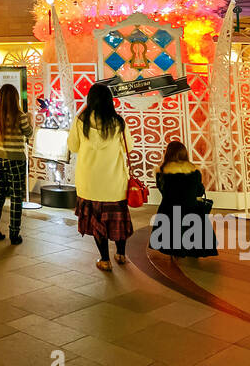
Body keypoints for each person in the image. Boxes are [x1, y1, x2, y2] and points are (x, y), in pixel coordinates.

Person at [69, 82, 135, 272]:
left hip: (89, 183)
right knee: (118, 220)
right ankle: (121, 254)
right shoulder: (118, 122)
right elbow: (128, 147)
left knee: (98, 223)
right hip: (115, 183)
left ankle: (104, 259)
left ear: (90, 100)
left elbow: (73, 146)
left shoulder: (81, 121)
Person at [0, 82, 33, 245]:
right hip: (16, 160)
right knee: (16, 197)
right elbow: (29, 133)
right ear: (15, 98)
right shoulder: (20, 116)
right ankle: (14, 233)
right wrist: (30, 120)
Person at [151, 141, 217, 258]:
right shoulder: (194, 171)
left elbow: (163, 192)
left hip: (169, 210)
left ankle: (175, 251)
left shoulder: (161, 172)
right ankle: (193, 250)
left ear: (167, 154)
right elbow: (199, 192)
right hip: (191, 208)